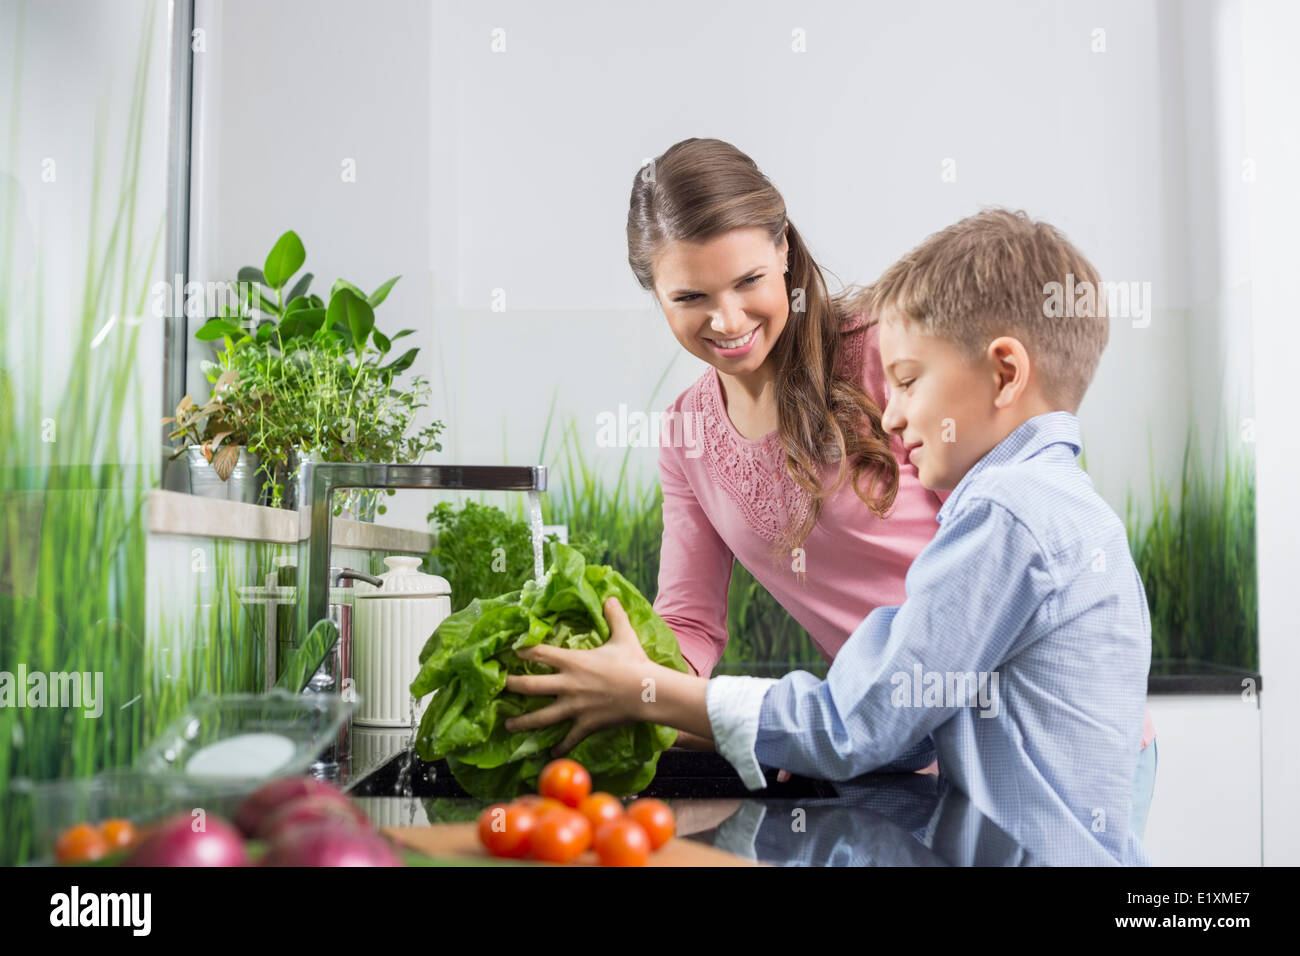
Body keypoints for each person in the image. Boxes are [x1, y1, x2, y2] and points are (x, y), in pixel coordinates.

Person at [505, 208, 1155, 865]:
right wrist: (777, 734)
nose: (892, 413)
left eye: (905, 381)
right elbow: (906, 720)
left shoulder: (1004, 516)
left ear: (1006, 374)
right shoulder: (1051, 503)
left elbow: (859, 723)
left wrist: (652, 695)